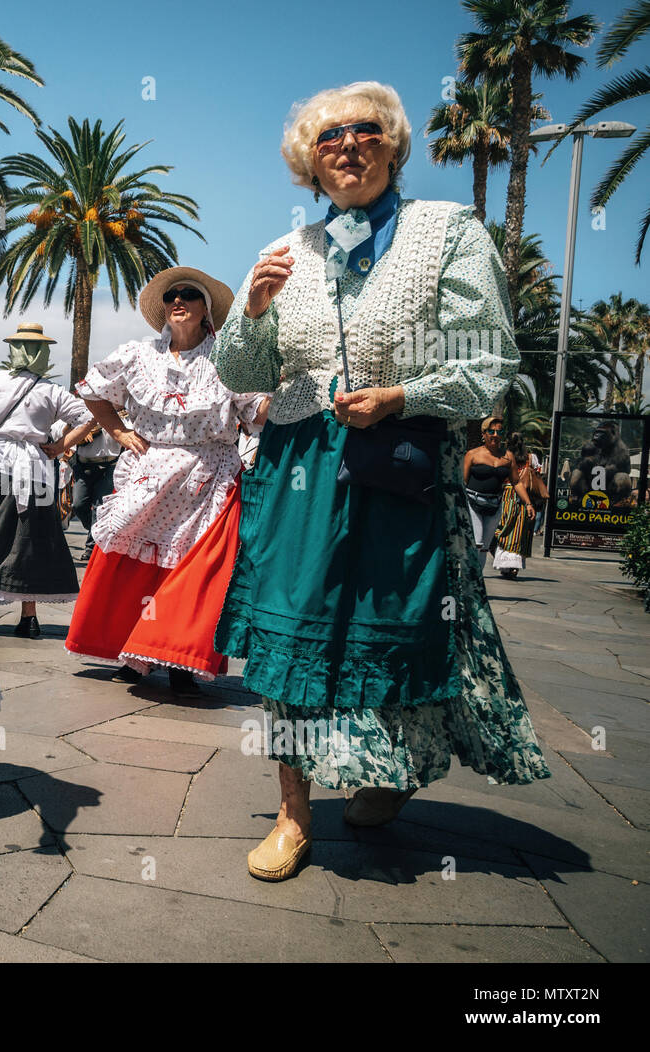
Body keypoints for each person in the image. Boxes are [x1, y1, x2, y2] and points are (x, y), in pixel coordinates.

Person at [213, 81, 549, 883]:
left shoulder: (446, 231)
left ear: (393, 147)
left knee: (391, 630)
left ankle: (384, 772)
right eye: (329, 138)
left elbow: (488, 362)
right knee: (287, 637)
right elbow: (241, 372)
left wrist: (406, 396)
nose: (347, 147)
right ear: (310, 162)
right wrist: (252, 311)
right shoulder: (288, 248)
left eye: (366, 132)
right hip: (298, 467)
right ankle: (294, 815)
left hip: (398, 466)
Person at [65, 268, 268, 696]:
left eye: (190, 295)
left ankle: (179, 659)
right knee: (131, 565)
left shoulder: (227, 359)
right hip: (148, 472)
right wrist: (119, 432)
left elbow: (256, 413)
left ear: (206, 309)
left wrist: (291, 387)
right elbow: (93, 390)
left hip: (208, 476)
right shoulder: (139, 354)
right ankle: (134, 654)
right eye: (173, 295)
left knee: (195, 570)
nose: (179, 300)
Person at [0, 323, 96, 638]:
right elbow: (89, 417)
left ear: (14, 349)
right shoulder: (51, 390)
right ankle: (29, 619)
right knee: (31, 542)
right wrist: (60, 447)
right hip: (36, 473)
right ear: (43, 352)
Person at [68, 418, 122, 559]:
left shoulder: (120, 415)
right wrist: (80, 431)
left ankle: (91, 548)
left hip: (110, 465)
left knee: (99, 507)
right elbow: (63, 430)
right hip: (83, 466)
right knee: (78, 505)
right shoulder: (82, 412)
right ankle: (95, 529)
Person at [463, 416, 513, 566]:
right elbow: (463, 481)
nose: (495, 435)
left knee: (484, 546)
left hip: (494, 504)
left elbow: (516, 482)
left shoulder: (508, 456)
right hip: (473, 501)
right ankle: (469, 574)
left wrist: (528, 503)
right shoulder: (472, 454)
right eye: (491, 431)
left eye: (499, 432)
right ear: (483, 434)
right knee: (477, 542)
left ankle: (478, 578)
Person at [491, 431, 539, 577]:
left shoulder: (503, 456)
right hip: (524, 496)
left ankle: (504, 563)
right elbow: (537, 474)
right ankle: (513, 567)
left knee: (501, 529)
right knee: (518, 532)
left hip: (506, 495)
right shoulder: (530, 458)